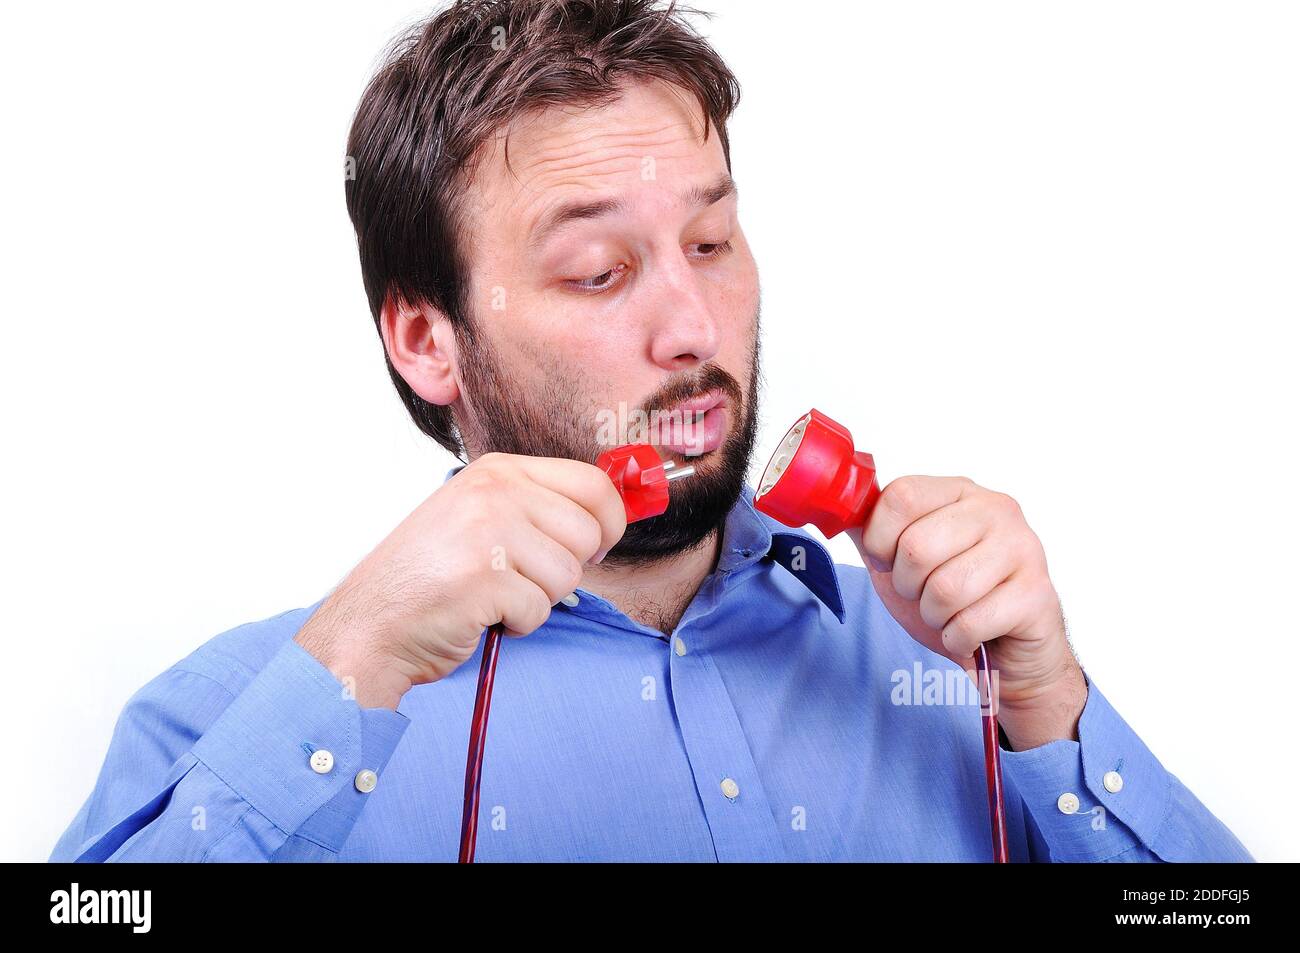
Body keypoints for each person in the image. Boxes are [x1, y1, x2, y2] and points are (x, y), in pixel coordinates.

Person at [52, 0, 1251, 862]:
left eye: (713, 244)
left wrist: (1050, 707)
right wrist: (352, 658)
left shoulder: (952, 671)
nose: (693, 326)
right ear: (428, 340)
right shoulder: (240, 715)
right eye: (595, 269)